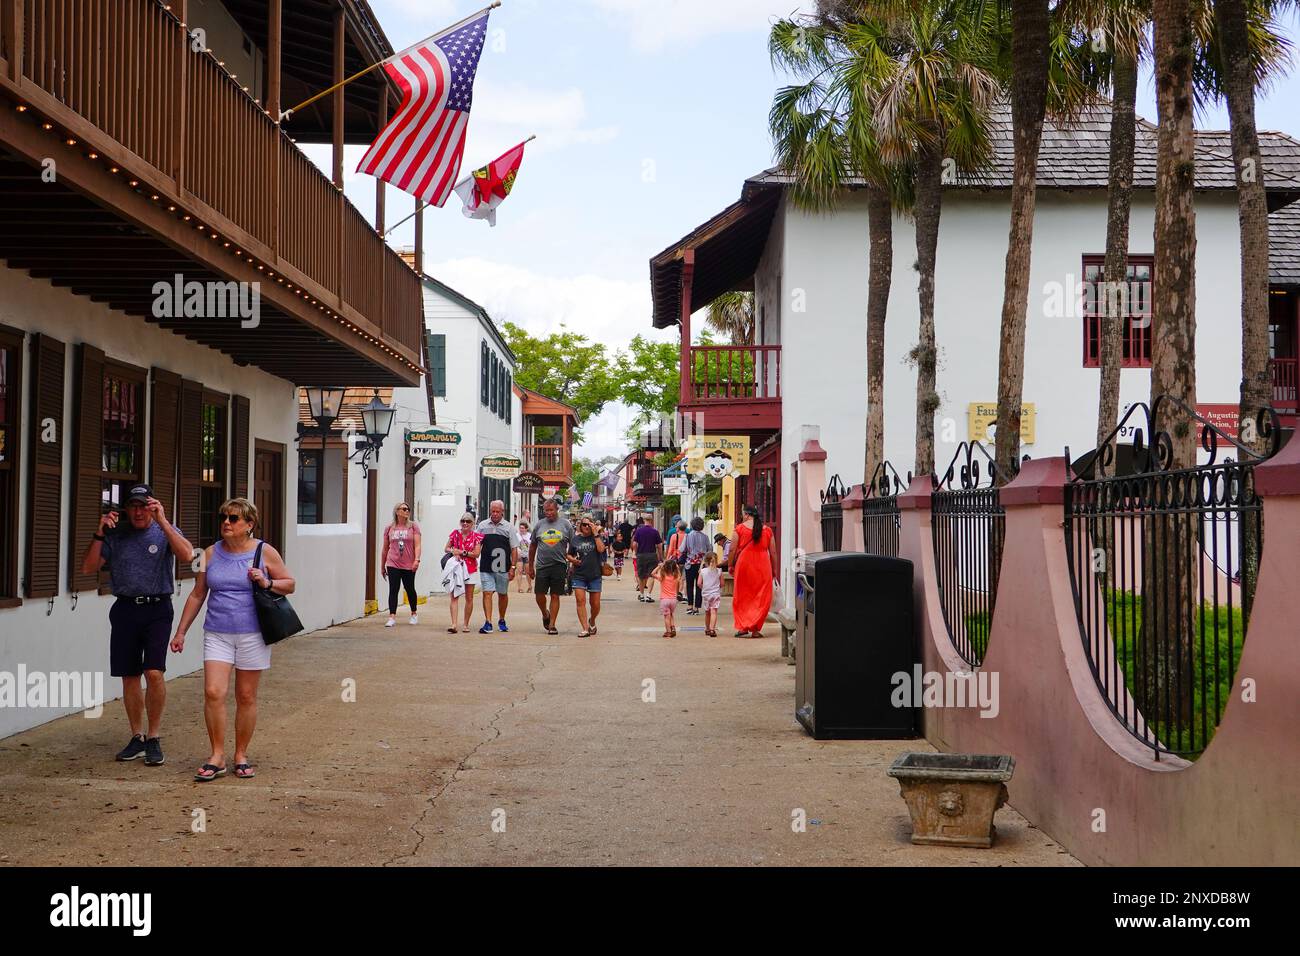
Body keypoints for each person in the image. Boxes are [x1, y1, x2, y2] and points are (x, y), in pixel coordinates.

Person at [170, 498, 294, 781]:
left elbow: (290, 584)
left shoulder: (264, 551)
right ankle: (216, 755)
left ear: (249, 524)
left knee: (246, 696)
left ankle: (241, 754)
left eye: (234, 518)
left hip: (253, 634)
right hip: (217, 633)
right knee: (214, 692)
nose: (226, 522)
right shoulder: (210, 553)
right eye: (223, 517)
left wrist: (266, 582)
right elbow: (198, 594)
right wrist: (181, 631)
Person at [80, 483, 195, 767]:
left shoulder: (164, 530)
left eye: (143, 506)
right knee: (129, 675)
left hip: (157, 608)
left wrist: (163, 521)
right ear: (126, 509)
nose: (138, 512)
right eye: (133, 506)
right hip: (125, 608)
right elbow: (88, 567)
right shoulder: (116, 534)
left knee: (153, 672)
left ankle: (154, 736)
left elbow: (187, 555)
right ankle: (137, 736)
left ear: (152, 507)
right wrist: (99, 532)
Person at [728, 504, 778, 638]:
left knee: (742, 595)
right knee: (761, 597)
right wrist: (774, 569)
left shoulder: (739, 529)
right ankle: (755, 629)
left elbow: (732, 549)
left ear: (746, 515)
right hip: (763, 565)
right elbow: (773, 552)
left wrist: (730, 564)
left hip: (744, 565)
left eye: (742, 514)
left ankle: (743, 626)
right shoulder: (767, 530)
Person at [528, 497, 573, 635]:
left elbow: (573, 545)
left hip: (559, 565)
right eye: (546, 510)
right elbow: (533, 546)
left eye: (551, 510)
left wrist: (572, 562)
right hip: (542, 565)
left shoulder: (566, 525)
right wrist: (530, 566)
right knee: (539, 594)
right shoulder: (539, 525)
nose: (548, 513)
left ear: (557, 509)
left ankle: (552, 624)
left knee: (555, 595)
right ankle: (545, 613)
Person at [476, 500, 519, 633]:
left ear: (502, 512)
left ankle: (501, 619)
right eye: (492, 511)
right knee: (487, 593)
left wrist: (513, 567)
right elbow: (477, 544)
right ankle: (488, 622)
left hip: (502, 566)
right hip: (486, 565)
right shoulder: (482, 526)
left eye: (497, 511)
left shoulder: (509, 527)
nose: (494, 514)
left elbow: (514, 549)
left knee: (502, 594)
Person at [381, 502, 422, 627]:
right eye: (404, 509)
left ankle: (414, 613)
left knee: (410, 589)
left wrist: (417, 560)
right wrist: (382, 566)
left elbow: (417, 545)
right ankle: (392, 617)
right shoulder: (389, 528)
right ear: (397, 511)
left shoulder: (413, 527)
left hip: (409, 564)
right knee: (393, 589)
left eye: (408, 509)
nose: (407, 511)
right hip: (392, 563)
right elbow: (385, 548)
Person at [567, 516, 606, 638]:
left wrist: (596, 534)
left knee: (595, 604)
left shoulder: (597, 537)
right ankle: (584, 628)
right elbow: (569, 554)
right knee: (580, 601)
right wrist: (573, 560)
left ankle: (592, 620)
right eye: (584, 524)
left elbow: (601, 549)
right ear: (580, 526)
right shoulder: (575, 539)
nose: (586, 527)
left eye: (589, 524)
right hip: (579, 575)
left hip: (595, 574)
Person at [445, 514, 482, 633]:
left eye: (468, 521)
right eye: (463, 521)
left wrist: (462, 552)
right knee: (454, 596)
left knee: (469, 597)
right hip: (456, 568)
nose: (465, 523)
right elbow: (446, 548)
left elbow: (476, 554)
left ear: (472, 523)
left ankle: (465, 624)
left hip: (470, 569)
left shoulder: (476, 536)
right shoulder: (455, 534)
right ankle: (454, 624)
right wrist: (453, 551)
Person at [682, 517, 711, 615]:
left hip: (690, 563)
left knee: (689, 585)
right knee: (699, 585)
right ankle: (697, 607)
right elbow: (709, 550)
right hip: (701, 564)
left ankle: (690, 606)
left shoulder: (687, 536)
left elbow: (682, 549)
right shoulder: (705, 537)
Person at [631, 515, 663, 603]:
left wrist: (636, 552)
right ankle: (649, 595)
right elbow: (659, 546)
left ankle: (642, 595)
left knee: (641, 575)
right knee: (651, 575)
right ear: (651, 520)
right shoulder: (655, 531)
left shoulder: (639, 531)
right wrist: (660, 557)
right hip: (652, 555)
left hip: (641, 555)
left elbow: (634, 544)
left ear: (644, 520)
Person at [650, 559, 681, 638]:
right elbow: (679, 575)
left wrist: (659, 567)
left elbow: (652, 574)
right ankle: (673, 627)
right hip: (673, 600)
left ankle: (668, 632)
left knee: (666, 617)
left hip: (665, 600)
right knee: (671, 614)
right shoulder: (676, 577)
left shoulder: (663, 577)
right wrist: (677, 568)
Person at [700, 551, 723, 637]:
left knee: (707, 612)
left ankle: (707, 629)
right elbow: (722, 583)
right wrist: (717, 587)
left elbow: (699, 583)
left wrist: (704, 587)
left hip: (706, 594)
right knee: (714, 612)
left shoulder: (702, 571)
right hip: (715, 594)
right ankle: (712, 629)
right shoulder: (719, 571)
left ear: (705, 561)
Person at [515, 521, 532, 593]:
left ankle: (530, 586)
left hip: (527, 555)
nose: (521, 529)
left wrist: (531, 555)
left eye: (523, 528)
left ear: (526, 529)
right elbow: (514, 545)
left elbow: (531, 546)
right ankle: (519, 588)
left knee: (528, 572)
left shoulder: (529, 535)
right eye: (520, 528)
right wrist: (517, 551)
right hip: (519, 555)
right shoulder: (517, 535)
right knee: (519, 571)